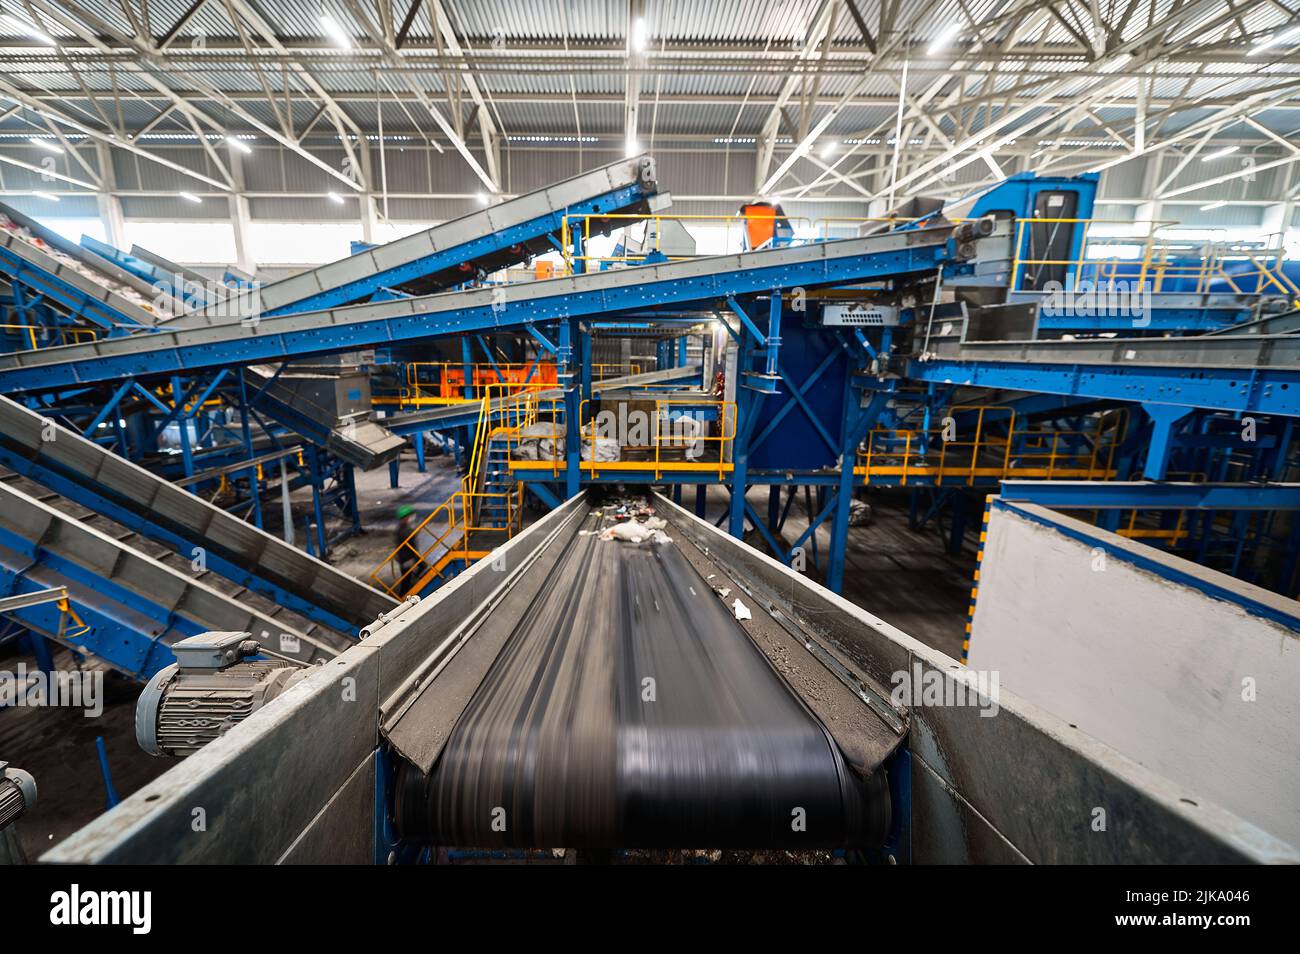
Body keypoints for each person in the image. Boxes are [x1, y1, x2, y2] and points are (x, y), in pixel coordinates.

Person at [394, 505, 421, 585]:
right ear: (405, 518)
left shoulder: (404, 527)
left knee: (422, 565)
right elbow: (409, 537)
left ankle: (415, 580)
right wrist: (414, 530)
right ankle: (402, 596)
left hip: (411, 555)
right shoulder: (403, 530)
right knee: (406, 580)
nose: (412, 517)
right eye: (410, 515)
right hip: (406, 558)